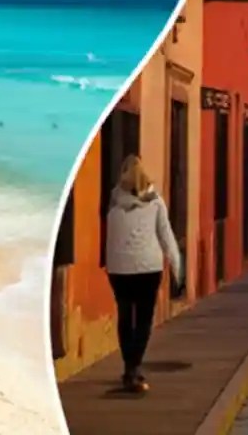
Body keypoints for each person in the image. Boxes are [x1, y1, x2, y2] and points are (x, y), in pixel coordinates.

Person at [104, 155, 184, 393]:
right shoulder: (156, 202)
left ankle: (130, 367)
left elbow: (111, 235)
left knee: (125, 317)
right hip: (148, 268)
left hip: (119, 269)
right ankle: (134, 367)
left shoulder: (114, 201)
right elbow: (166, 236)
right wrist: (178, 268)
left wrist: (110, 263)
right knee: (144, 320)